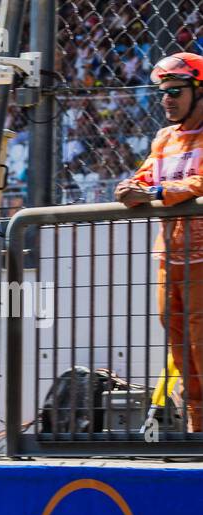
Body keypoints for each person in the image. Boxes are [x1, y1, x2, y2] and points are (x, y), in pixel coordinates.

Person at [117, 52, 203, 431]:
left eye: (176, 91)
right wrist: (130, 188)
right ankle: (196, 429)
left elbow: (196, 183)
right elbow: (146, 176)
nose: (167, 99)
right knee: (180, 345)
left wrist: (157, 194)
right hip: (170, 257)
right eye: (163, 92)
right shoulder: (164, 139)